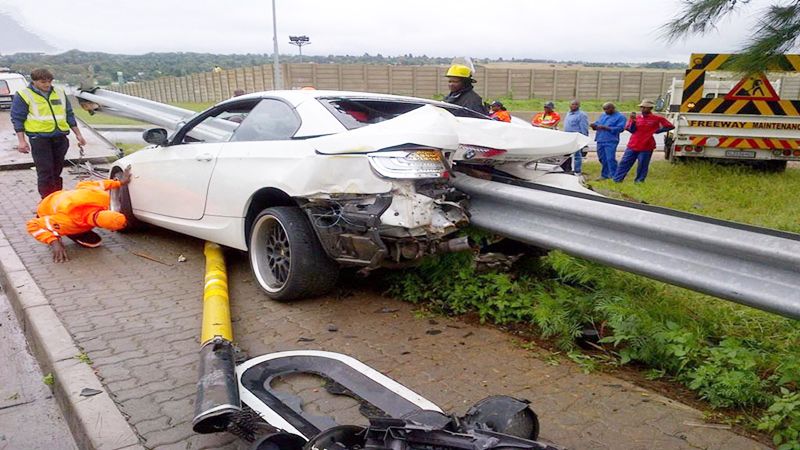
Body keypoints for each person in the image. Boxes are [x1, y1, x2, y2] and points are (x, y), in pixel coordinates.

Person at [26, 167, 132, 263]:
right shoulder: (68, 222)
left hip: (62, 198)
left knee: (95, 242)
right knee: (90, 240)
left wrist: (119, 183)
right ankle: (61, 232)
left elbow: (87, 184)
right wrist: (53, 241)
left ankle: (72, 231)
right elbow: (32, 225)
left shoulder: (100, 198)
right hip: (46, 210)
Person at [11, 69, 87, 199]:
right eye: (43, 82)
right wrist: (21, 141)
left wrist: (78, 134)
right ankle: (46, 200)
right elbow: (18, 118)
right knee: (45, 172)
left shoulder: (59, 93)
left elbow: (69, 114)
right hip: (40, 139)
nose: (47, 84)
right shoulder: (24, 95)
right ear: (34, 81)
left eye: (49, 81)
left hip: (60, 137)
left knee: (56, 171)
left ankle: (57, 198)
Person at [613, 99, 674, 183]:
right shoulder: (636, 118)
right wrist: (633, 121)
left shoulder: (657, 118)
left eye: (645, 107)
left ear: (650, 108)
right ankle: (617, 180)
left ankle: (639, 181)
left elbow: (670, 126)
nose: (643, 109)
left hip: (647, 145)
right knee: (624, 162)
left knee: (642, 164)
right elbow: (631, 130)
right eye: (642, 107)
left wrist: (657, 130)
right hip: (633, 144)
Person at [590, 102, 627, 180]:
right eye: (604, 109)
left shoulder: (620, 117)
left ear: (612, 108)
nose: (605, 111)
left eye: (607, 109)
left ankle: (614, 175)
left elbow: (620, 128)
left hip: (611, 140)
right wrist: (594, 126)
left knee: (610, 158)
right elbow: (597, 124)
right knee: (602, 158)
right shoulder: (603, 115)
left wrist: (606, 128)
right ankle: (605, 174)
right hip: (600, 139)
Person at [562, 100, 589, 174]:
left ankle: (577, 170)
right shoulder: (568, 113)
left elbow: (584, 127)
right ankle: (567, 169)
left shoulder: (581, 115)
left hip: (577, 137)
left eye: (576, 104)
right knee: (566, 154)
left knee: (577, 155)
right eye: (572, 104)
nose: (574, 106)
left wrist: (584, 138)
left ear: (579, 106)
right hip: (568, 136)